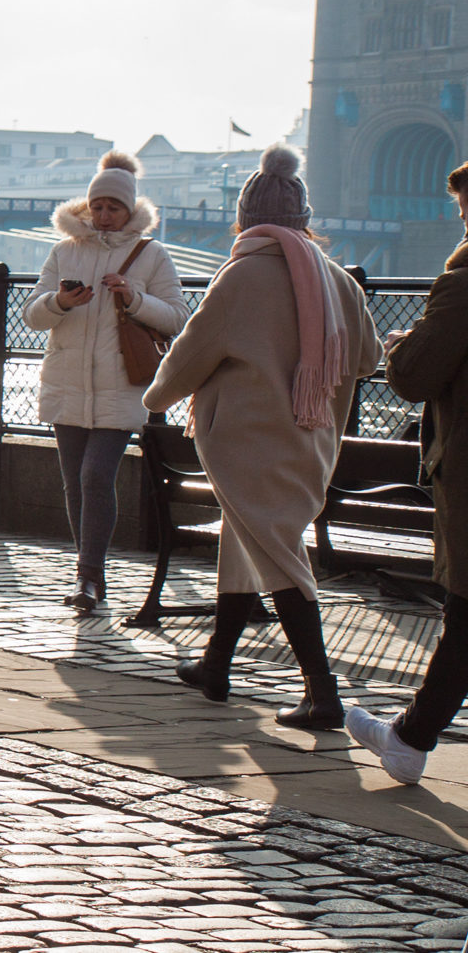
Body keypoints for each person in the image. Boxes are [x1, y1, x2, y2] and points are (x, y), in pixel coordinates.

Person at [146, 144, 382, 730]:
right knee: (245, 543)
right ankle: (216, 665)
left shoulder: (242, 276)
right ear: (304, 220)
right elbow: (368, 359)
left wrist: (154, 399)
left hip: (246, 444)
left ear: (245, 220)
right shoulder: (337, 280)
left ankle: (322, 694)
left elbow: (190, 357)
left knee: (278, 556)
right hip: (313, 439)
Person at [23, 152, 191, 614]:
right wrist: (60, 302)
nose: (103, 215)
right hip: (67, 382)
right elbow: (32, 315)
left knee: (96, 476)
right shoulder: (64, 251)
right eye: (96, 206)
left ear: (129, 209)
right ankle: (88, 575)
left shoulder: (152, 254)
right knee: (75, 484)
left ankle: (90, 576)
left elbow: (178, 317)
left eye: (113, 207)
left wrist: (134, 298)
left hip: (121, 385)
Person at [346, 160, 468, 784]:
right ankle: (410, 736)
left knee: (467, 610)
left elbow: (416, 376)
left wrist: (399, 349)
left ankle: (409, 739)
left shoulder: (463, 285)